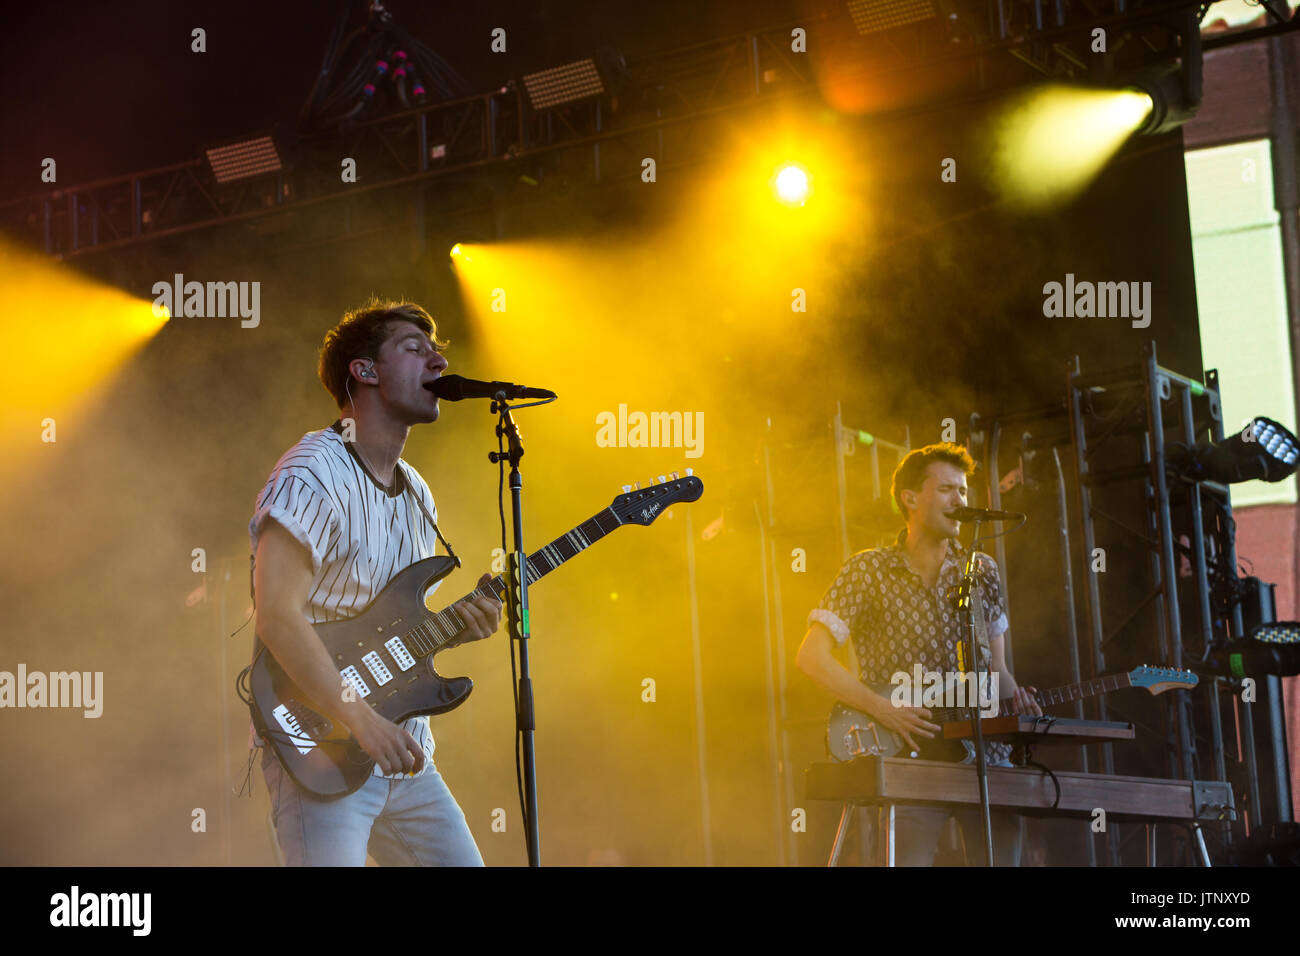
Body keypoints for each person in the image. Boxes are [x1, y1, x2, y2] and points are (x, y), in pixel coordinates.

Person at [249, 298, 503, 866]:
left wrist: (457, 629)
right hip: (322, 749)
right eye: (415, 350)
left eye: (438, 351)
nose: (437, 362)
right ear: (364, 371)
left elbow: (399, 634)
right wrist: (359, 719)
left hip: (405, 755)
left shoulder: (418, 492)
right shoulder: (311, 471)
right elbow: (277, 616)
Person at [795, 442, 1040, 866]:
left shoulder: (982, 571)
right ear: (910, 499)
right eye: (946, 489)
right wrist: (882, 708)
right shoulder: (867, 570)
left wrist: (1020, 702)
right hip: (909, 754)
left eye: (963, 491)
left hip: (987, 757)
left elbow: (997, 670)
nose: (960, 500)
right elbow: (810, 658)